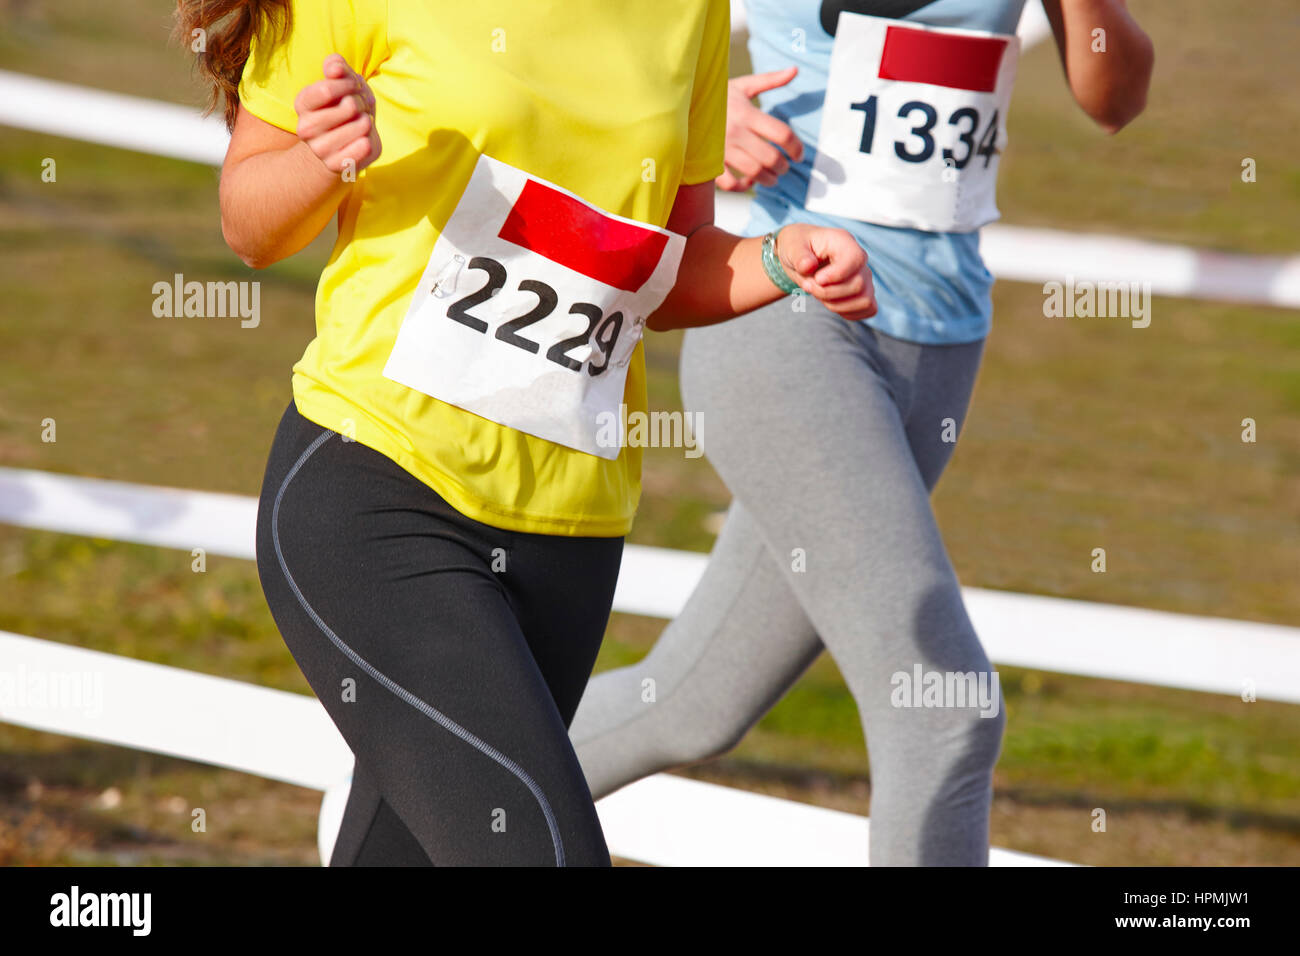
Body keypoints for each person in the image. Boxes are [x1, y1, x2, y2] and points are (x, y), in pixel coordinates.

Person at [176, 0, 878, 865]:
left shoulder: (693, 11)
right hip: (379, 485)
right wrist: (323, 160)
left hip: (570, 533)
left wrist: (781, 258)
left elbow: (674, 260)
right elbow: (248, 222)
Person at [569, 0, 1154, 865]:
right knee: (945, 709)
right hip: (783, 313)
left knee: (692, 703)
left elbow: (1115, 97)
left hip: (939, 342)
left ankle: (408, 805)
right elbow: (554, 39)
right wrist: (696, 114)